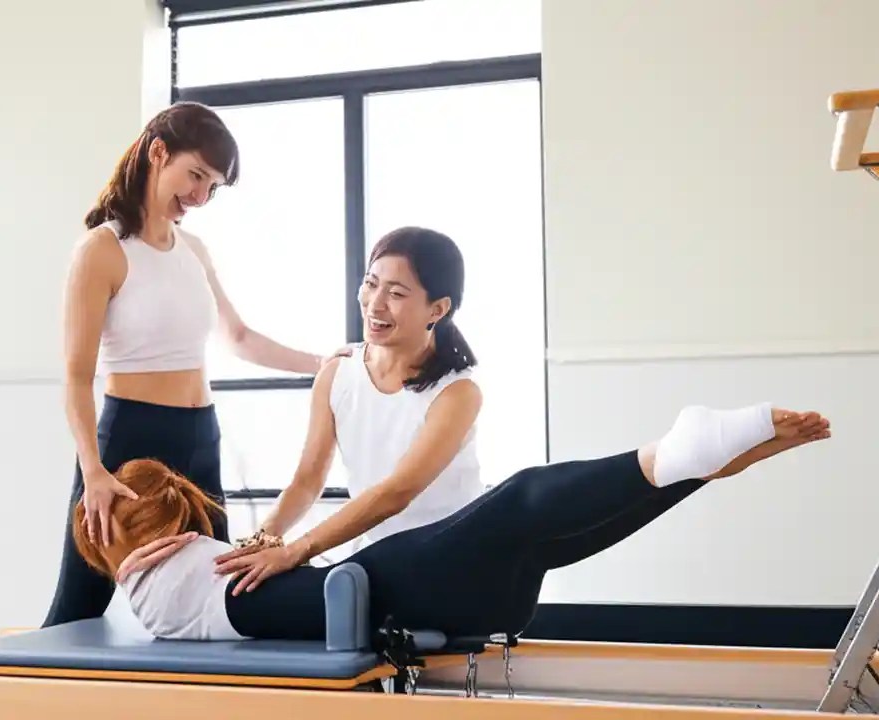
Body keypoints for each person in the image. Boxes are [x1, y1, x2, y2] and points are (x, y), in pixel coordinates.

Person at [74, 400, 831, 642]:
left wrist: (252, 540)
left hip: (419, 594)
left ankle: (692, 467)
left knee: (546, 534)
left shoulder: (172, 580)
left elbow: (179, 538)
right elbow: (168, 545)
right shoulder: (160, 588)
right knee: (524, 497)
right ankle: (676, 456)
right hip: (392, 590)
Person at [42, 101, 345, 628]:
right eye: (196, 176)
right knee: (78, 605)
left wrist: (324, 362)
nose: (201, 197)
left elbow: (240, 337)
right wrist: (93, 470)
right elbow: (75, 374)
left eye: (214, 187)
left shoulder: (194, 250)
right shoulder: (102, 250)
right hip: (128, 441)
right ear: (158, 152)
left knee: (222, 600)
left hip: (201, 436)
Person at [203, 226, 486, 595]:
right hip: (375, 560)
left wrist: (294, 552)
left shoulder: (457, 393)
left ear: (438, 308)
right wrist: (264, 538)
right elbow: (307, 480)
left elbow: (396, 492)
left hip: (448, 560)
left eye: (396, 293)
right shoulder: (338, 372)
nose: (375, 303)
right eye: (371, 283)